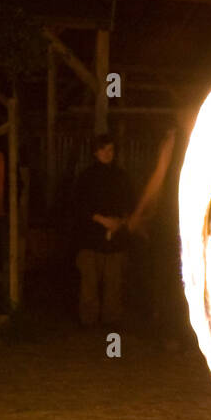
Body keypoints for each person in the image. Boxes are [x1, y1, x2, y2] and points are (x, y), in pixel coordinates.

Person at [72, 133, 134, 329]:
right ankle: (89, 320)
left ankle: (111, 320)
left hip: (115, 240)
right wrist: (101, 220)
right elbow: (79, 206)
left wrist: (120, 222)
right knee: (90, 283)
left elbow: (130, 203)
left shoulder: (121, 176)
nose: (107, 154)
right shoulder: (86, 177)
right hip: (90, 239)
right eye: (103, 150)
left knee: (113, 282)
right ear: (95, 152)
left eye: (110, 150)